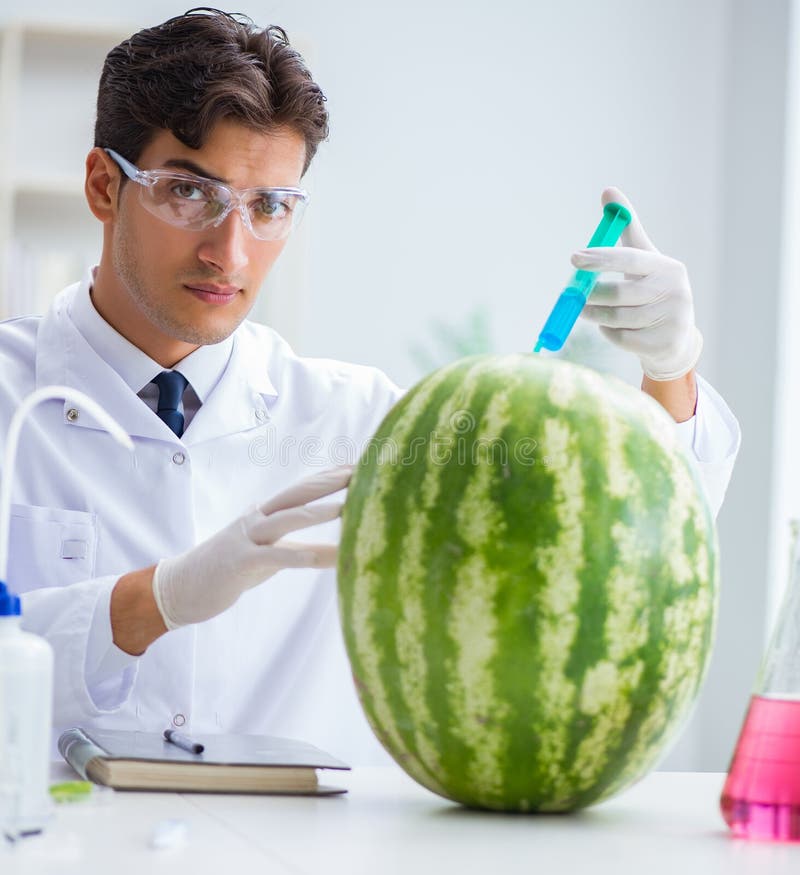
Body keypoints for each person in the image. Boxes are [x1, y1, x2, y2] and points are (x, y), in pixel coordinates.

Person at [5, 9, 739, 764]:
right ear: (102, 185)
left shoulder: (364, 421)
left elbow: (617, 546)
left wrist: (670, 368)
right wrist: (147, 603)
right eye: (191, 193)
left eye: (268, 206)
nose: (231, 251)